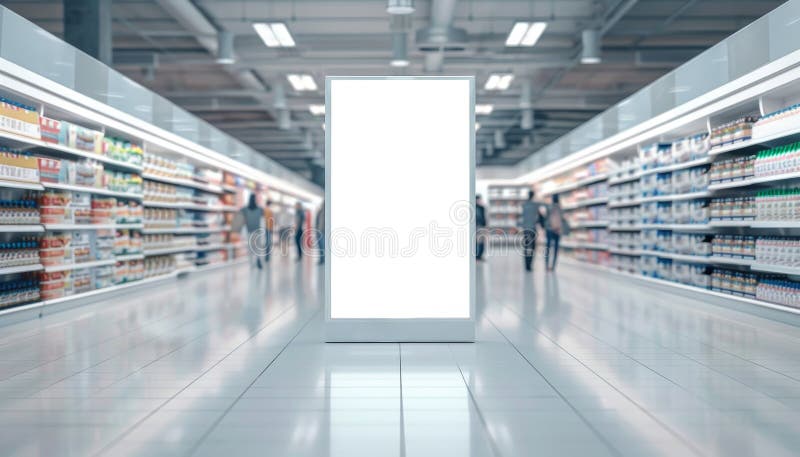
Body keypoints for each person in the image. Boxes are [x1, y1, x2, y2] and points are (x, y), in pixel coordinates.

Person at [519, 189, 544, 272]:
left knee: (526, 246)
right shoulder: (535, 205)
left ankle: (526, 264)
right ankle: (530, 265)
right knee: (532, 247)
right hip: (533, 228)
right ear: (533, 196)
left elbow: (522, 216)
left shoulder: (524, 205)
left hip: (525, 228)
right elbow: (543, 206)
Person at [544, 194, 570, 271]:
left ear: (552, 199)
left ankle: (546, 265)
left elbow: (546, 218)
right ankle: (553, 266)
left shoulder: (549, 207)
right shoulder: (560, 208)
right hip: (557, 230)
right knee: (556, 248)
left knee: (548, 247)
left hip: (549, 229)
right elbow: (563, 219)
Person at [240, 194, 264, 269]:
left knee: (250, 248)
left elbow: (242, 220)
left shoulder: (245, 209)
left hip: (249, 231)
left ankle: (251, 263)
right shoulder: (260, 209)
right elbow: (262, 221)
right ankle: (258, 259)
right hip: (258, 231)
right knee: (257, 248)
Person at [475, 195, 487, 261]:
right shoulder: (474, 207)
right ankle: (476, 256)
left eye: (480, 199)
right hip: (476, 227)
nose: (480, 201)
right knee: (476, 242)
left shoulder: (482, 208)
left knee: (482, 242)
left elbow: (484, 218)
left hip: (482, 227)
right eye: (478, 199)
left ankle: (480, 256)